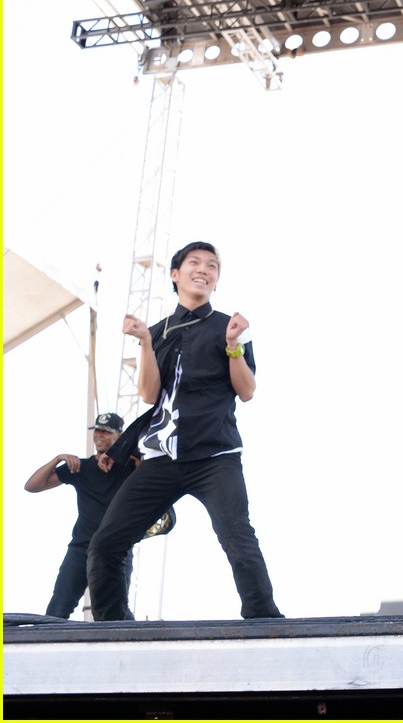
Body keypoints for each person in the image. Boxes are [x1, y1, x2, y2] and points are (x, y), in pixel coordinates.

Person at [86, 241, 283, 621]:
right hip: (163, 458)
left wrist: (232, 346)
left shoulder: (231, 327)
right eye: (194, 262)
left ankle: (264, 621)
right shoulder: (158, 331)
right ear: (175, 275)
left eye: (212, 265)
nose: (204, 269)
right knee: (106, 544)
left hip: (215, 456)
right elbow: (149, 394)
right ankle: (112, 627)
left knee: (238, 539)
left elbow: (247, 391)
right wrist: (145, 342)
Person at [24, 413, 136, 619]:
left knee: (114, 614)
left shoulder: (130, 466)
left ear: (119, 436)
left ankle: (136, 648)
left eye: (106, 431)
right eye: (97, 430)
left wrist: (120, 453)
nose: (99, 435)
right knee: (57, 610)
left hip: (115, 549)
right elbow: (32, 486)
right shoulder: (80, 468)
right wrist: (57, 459)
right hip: (81, 548)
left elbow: (148, 457)